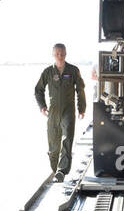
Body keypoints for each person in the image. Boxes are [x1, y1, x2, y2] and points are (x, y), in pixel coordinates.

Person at [34, 43, 87, 181]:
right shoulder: (48, 72)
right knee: (53, 142)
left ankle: (62, 171)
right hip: (53, 111)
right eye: (57, 53)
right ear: (53, 54)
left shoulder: (73, 70)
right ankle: (54, 169)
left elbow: (80, 90)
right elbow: (38, 90)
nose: (60, 56)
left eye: (62, 53)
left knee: (67, 139)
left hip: (68, 110)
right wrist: (42, 106)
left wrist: (82, 108)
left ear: (66, 53)